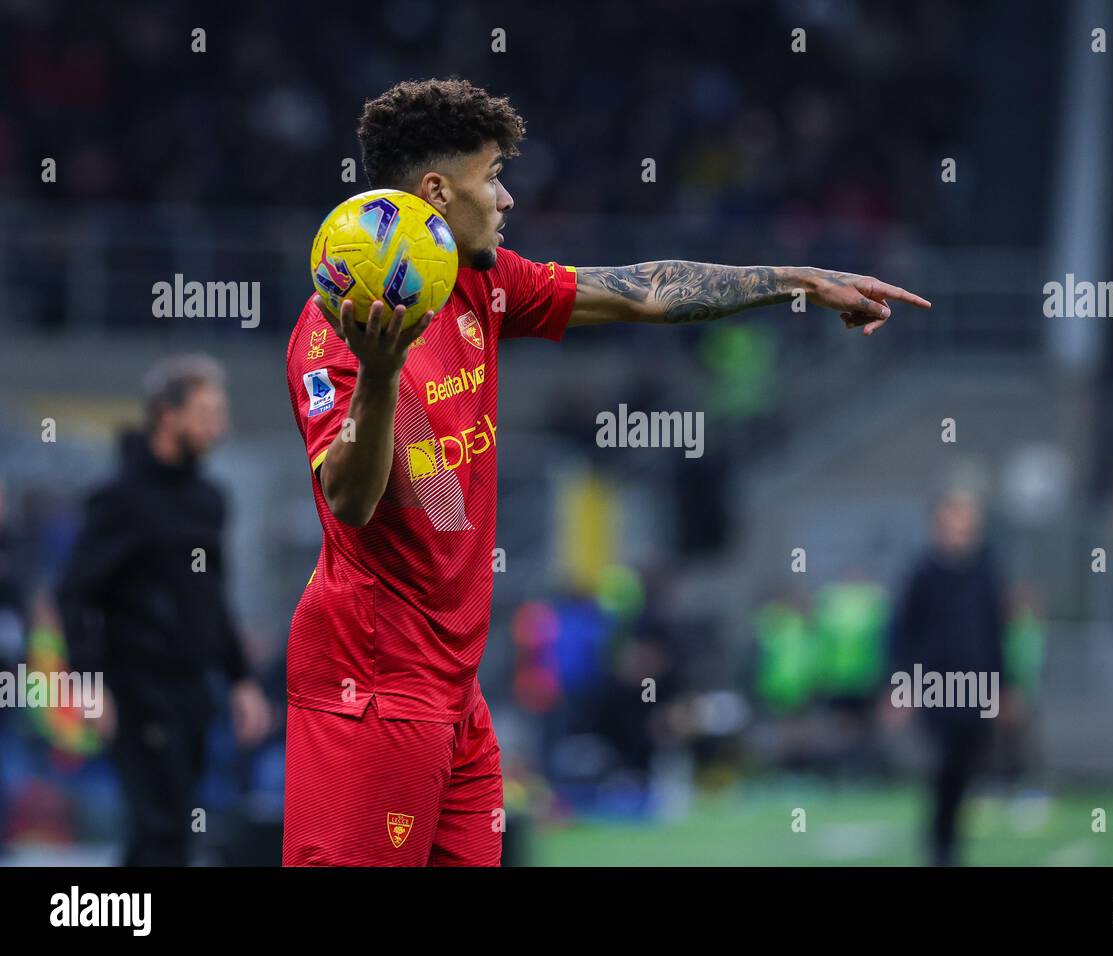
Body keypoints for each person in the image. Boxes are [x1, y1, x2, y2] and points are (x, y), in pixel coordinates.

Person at [283, 76, 931, 866]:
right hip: (372, 684)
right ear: (435, 193)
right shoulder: (333, 336)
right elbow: (349, 502)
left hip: (455, 687)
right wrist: (382, 378)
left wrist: (795, 283)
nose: (507, 198)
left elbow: (636, 294)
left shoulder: (477, 285)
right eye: (492, 177)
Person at [57, 355, 272, 866]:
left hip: (192, 691)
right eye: (204, 410)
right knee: (162, 830)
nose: (217, 424)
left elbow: (212, 596)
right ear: (166, 415)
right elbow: (76, 593)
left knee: (167, 832)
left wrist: (240, 680)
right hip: (137, 690)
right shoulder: (120, 499)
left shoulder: (209, 500)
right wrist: (90, 685)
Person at [885, 489, 1009, 866]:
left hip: (978, 685)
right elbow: (902, 633)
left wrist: (1006, 686)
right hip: (935, 685)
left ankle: (950, 841)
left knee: (966, 764)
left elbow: (995, 633)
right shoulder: (923, 573)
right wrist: (901, 687)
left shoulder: (985, 572)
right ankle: (940, 846)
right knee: (946, 759)